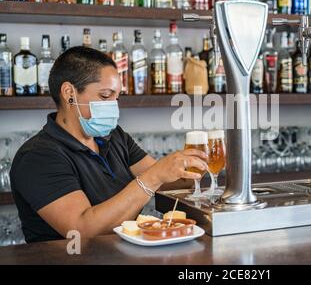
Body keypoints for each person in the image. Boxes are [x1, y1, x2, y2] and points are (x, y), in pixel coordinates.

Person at [10, 46, 207, 243]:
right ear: (69, 92)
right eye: (105, 96)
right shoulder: (38, 157)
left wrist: (202, 165)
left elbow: (168, 180)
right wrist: (152, 178)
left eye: (116, 98)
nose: (114, 106)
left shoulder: (114, 137)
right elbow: (82, 230)